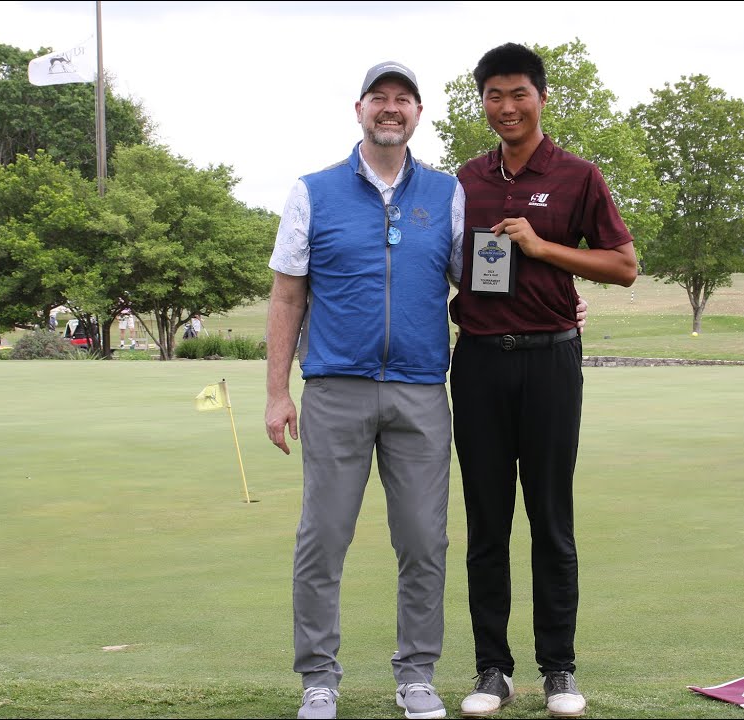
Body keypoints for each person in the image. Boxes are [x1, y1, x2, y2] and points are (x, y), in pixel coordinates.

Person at [264, 61, 463, 720]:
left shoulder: (447, 193)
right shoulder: (312, 192)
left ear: (417, 114)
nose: (391, 108)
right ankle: (318, 678)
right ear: (359, 110)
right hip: (334, 390)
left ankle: (417, 675)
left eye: (403, 99)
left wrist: (559, 304)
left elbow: (485, 284)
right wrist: (276, 392)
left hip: (420, 393)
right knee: (322, 539)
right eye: (380, 98)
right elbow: (288, 294)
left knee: (423, 542)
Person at [449, 43, 638, 719]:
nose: (506, 107)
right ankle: (491, 670)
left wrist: (543, 249)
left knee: (551, 520)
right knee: (486, 524)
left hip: (552, 360)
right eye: (494, 95)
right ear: (484, 103)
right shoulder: (463, 181)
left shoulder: (578, 176)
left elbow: (623, 266)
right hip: (477, 363)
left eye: (518, 93)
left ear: (542, 97)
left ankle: (559, 669)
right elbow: (447, 263)